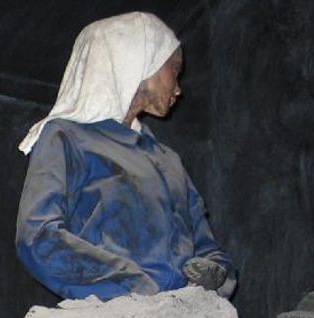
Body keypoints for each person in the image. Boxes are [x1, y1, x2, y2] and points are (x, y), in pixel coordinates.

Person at [15, 12, 235, 302]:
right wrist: (133, 287)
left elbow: (208, 250)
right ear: (139, 61)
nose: (179, 88)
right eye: (175, 69)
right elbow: (38, 237)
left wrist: (214, 275)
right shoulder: (66, 138)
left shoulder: (168, 159)